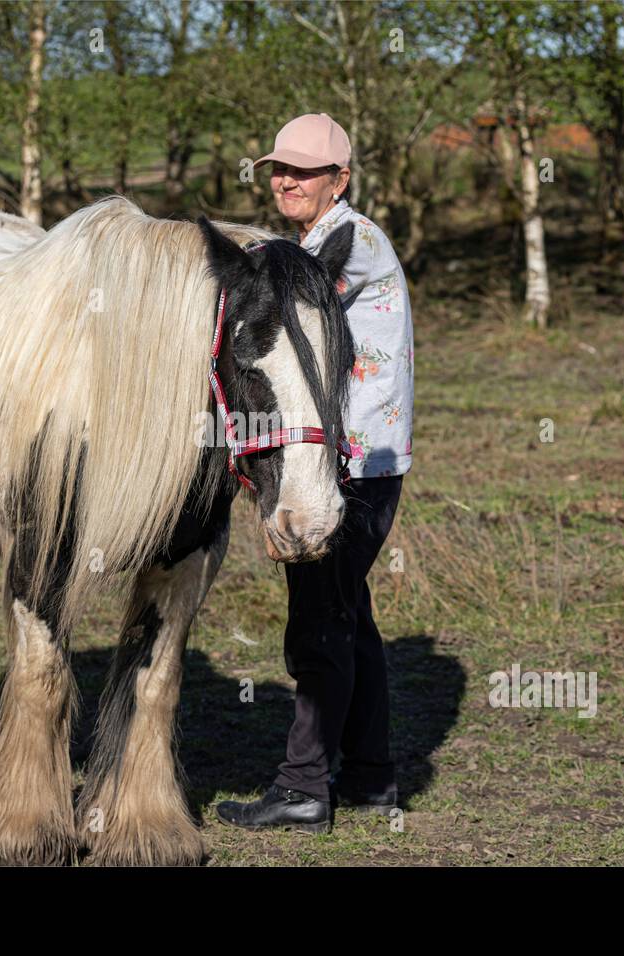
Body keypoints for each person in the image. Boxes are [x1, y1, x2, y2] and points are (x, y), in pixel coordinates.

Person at [216, 113, 414, 834]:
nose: (286, 180)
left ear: (341, 179)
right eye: (279, 168)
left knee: (320, 621)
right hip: (357, 455)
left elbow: (273, 277)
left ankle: (303, 788)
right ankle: (370, 776)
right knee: (350, 617)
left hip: (348, 463)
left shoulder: (346, 241)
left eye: (304, 171)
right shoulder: (317, 241)